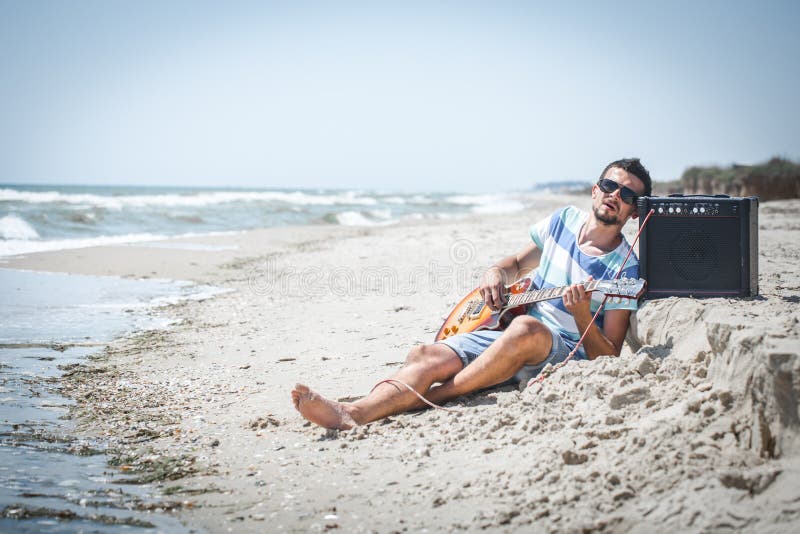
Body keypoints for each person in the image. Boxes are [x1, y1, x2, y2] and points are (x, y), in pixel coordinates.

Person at [292, 158, 652, 430]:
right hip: (511, 332)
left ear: (634, 211)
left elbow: (610, 354)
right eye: (609, 185)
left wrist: (582, 314)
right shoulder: (563, 222)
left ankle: (429, 398)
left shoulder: (625, 269)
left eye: (627, 194)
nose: (614, 196)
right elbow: (515, 263)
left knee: (527, 329)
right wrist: (495, 273)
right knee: (425, 354)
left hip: (559, 349)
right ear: (595, 189)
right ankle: (351, 412)